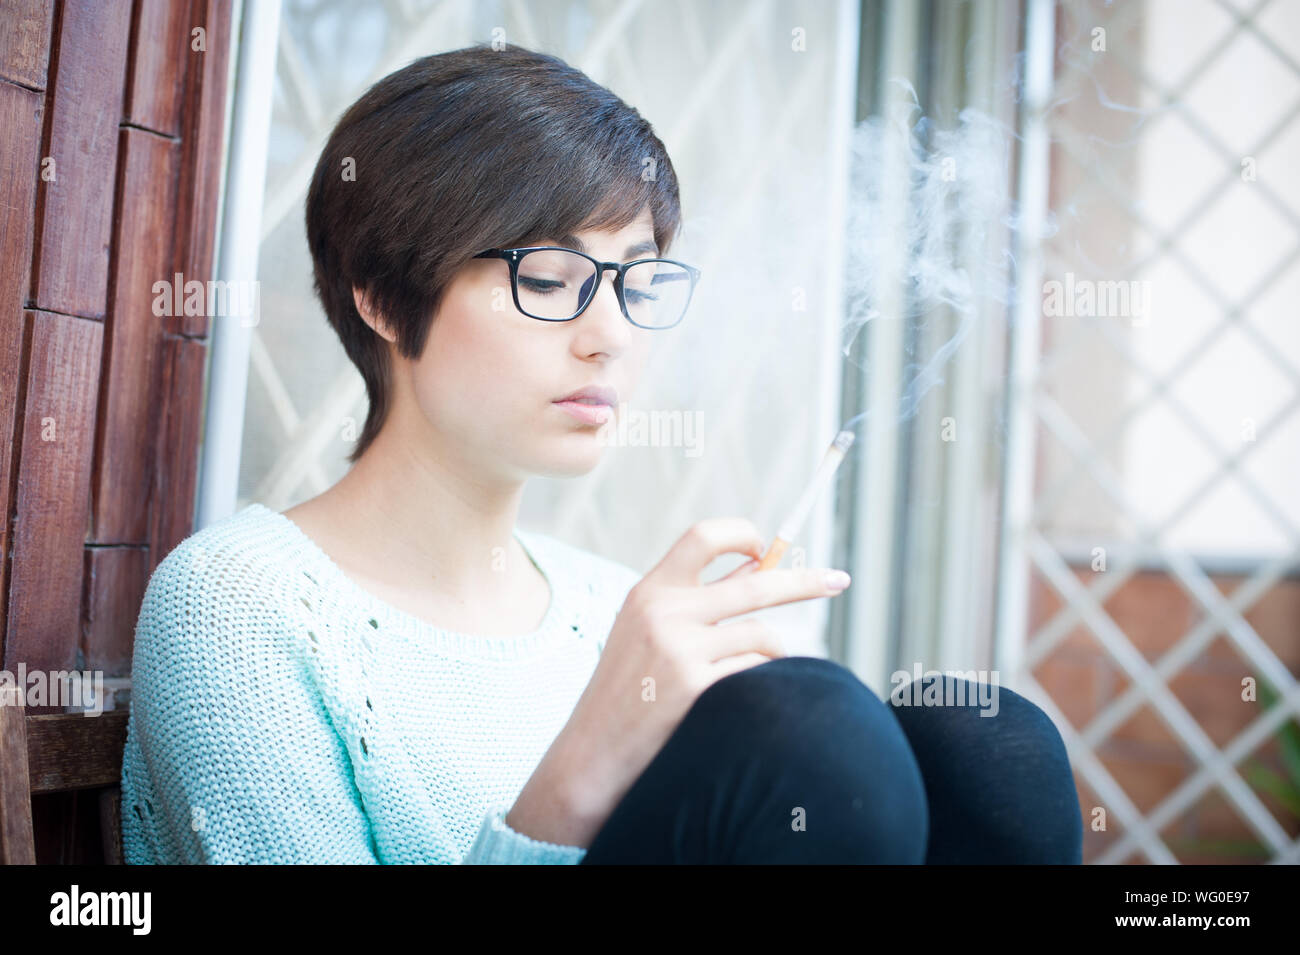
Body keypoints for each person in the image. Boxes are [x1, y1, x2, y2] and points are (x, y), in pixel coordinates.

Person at [119, 42, 1082, 865]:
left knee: (989, 748)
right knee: (811, 733)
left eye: (637, 281)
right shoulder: (237, 607)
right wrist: (590, 757)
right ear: (377, 293)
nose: (610, 334)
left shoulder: (603, 610)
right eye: (551, 277)